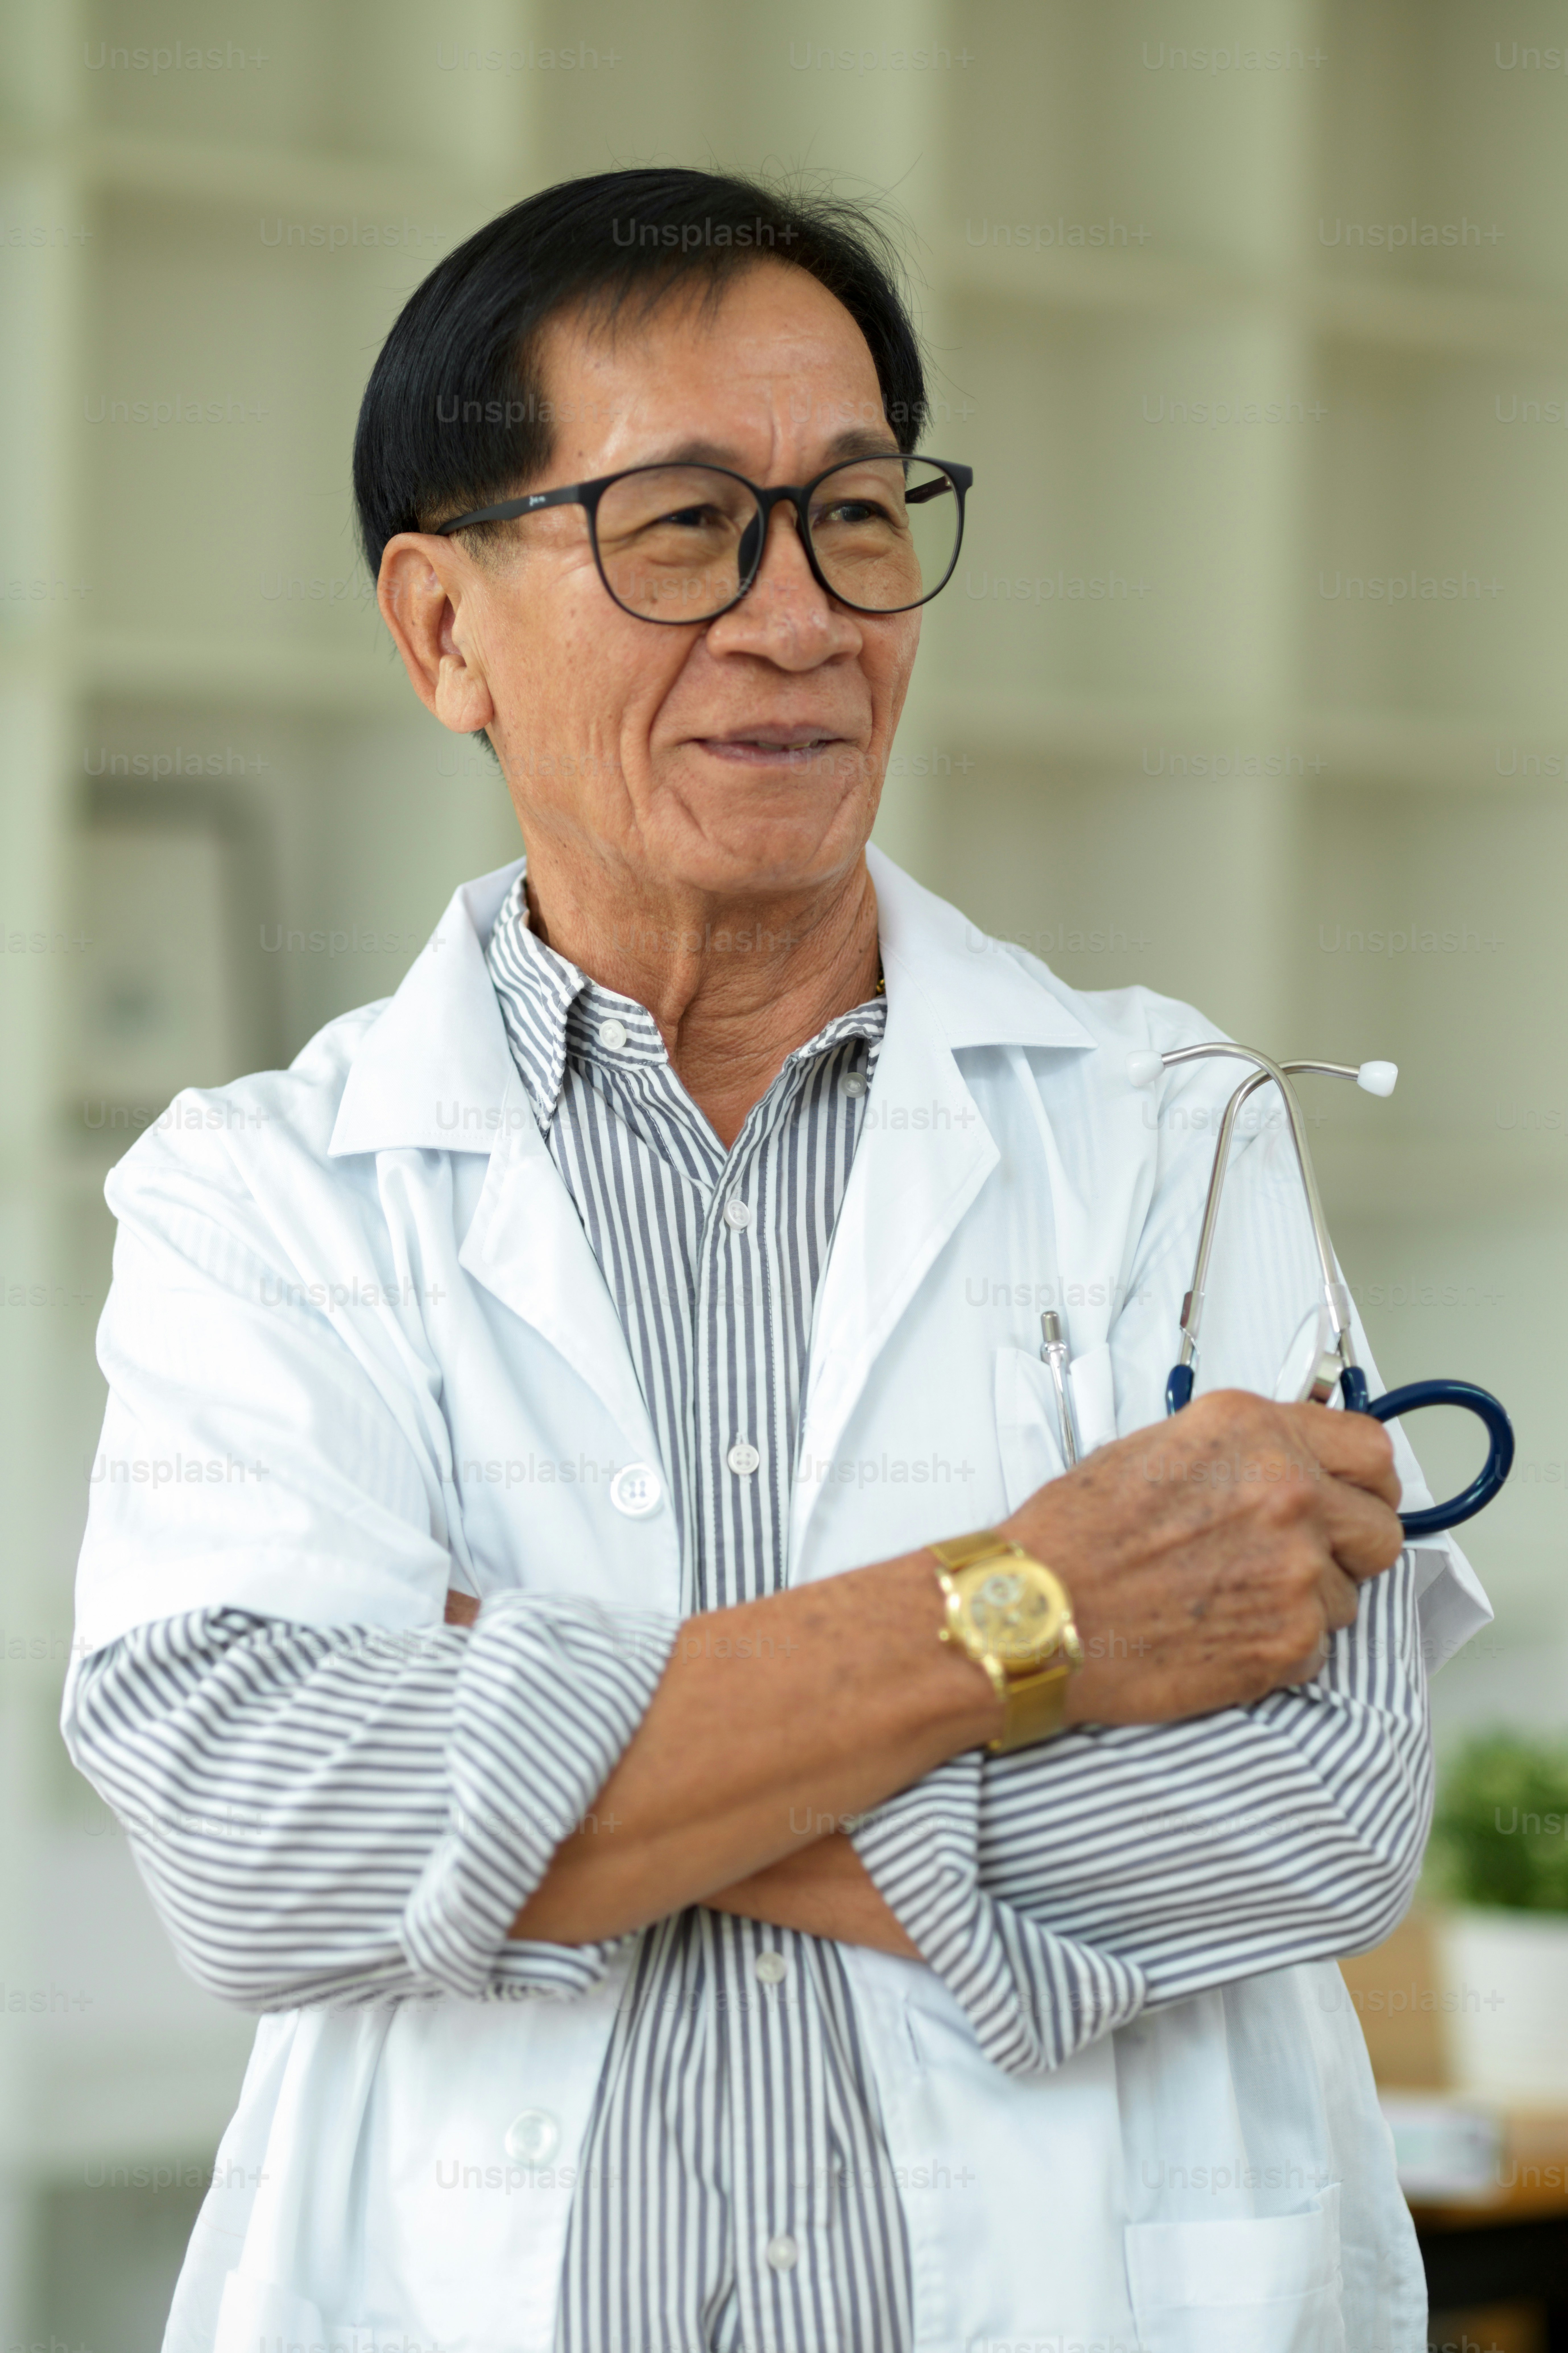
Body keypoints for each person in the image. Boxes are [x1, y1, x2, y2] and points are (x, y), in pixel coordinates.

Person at [64, 168, 1489, 2353]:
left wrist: (532, 1715)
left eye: (856, 510)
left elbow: (1310, 1815)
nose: (804, 613)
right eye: (683, 526)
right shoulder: (266, 1197)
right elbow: (271, 1851)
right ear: (445, 631)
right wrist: (1037, 1613)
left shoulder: (1163, 1130)